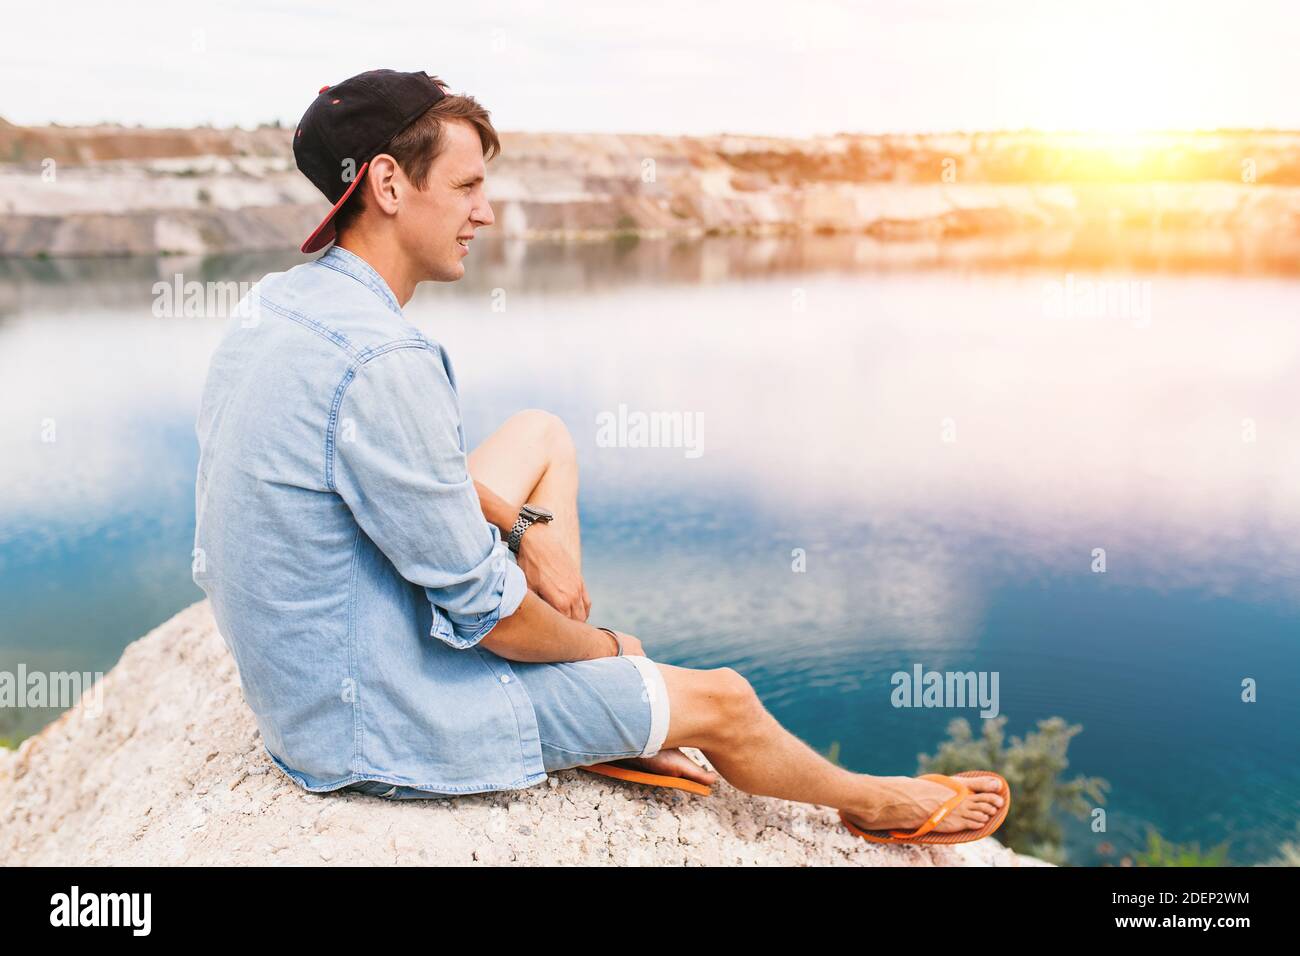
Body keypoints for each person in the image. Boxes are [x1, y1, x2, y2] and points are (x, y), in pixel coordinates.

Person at [192, 68, 1005, 839]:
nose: (486, 214)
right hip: (373, 724)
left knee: (543, 434)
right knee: (725, 699)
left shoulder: (280, 303)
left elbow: (387, 474)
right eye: (468, 187)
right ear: (388, 185)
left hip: (306, 689)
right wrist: (613, 651)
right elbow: (495, 620)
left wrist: (519, 520)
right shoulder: (384, 361)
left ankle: (605, 707)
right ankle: (879, 802)